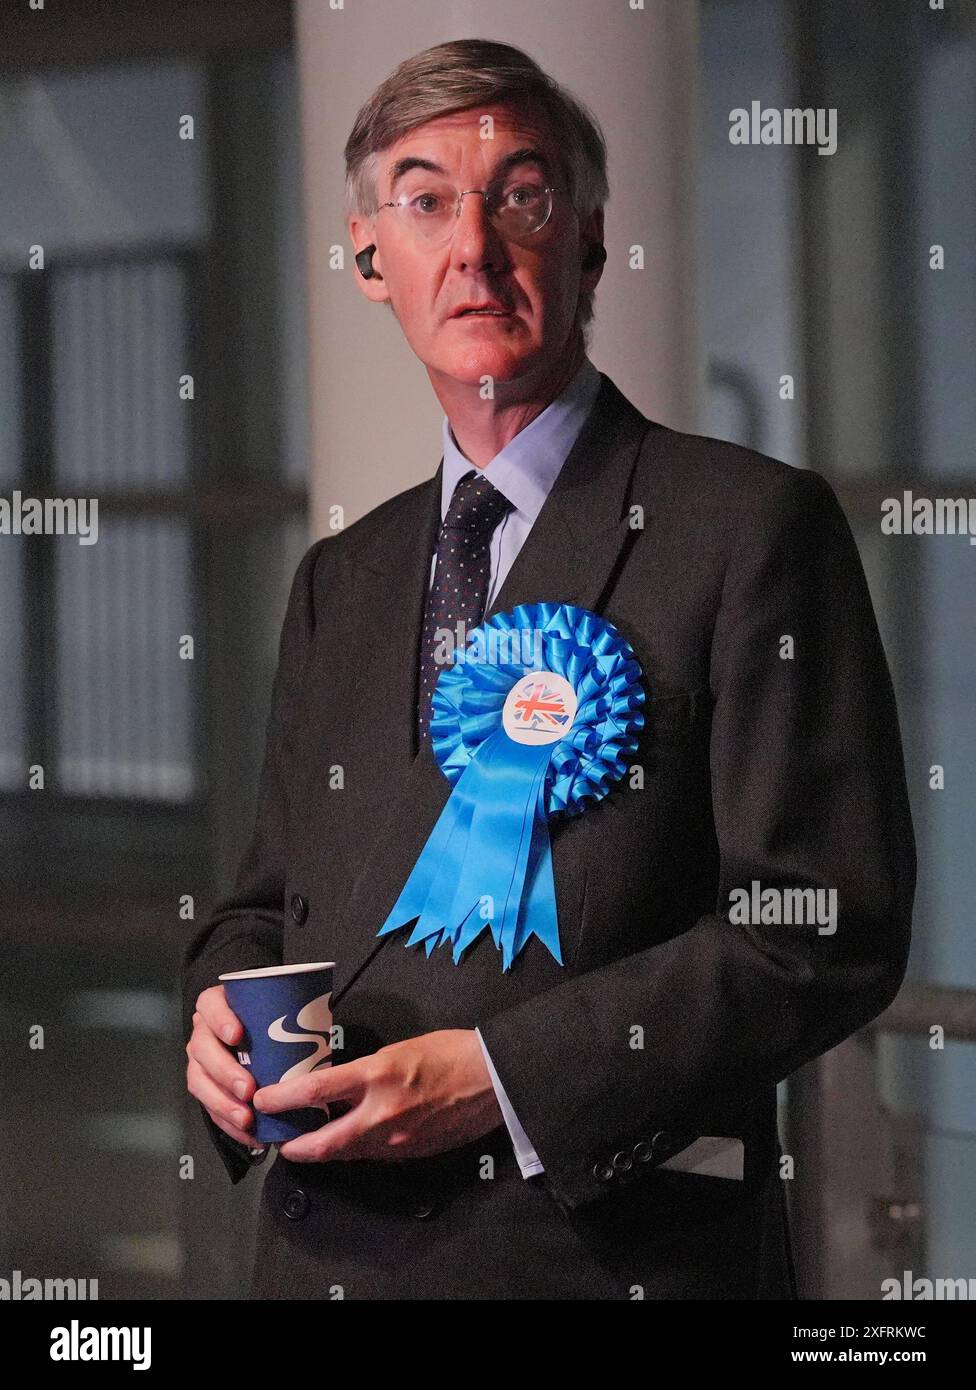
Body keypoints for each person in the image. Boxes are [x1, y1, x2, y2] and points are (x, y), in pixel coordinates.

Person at [182, 38, 916, 1300]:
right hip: (321, 1258)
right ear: (370, 259)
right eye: (423, 202)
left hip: (594, 1255)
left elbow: (821, 924)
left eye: (517, 195)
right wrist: (211, 1014)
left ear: (585, 243)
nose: (471, 244)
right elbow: (269, 903)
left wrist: (503, 1078)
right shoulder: (341, 579)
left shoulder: (744, 528)